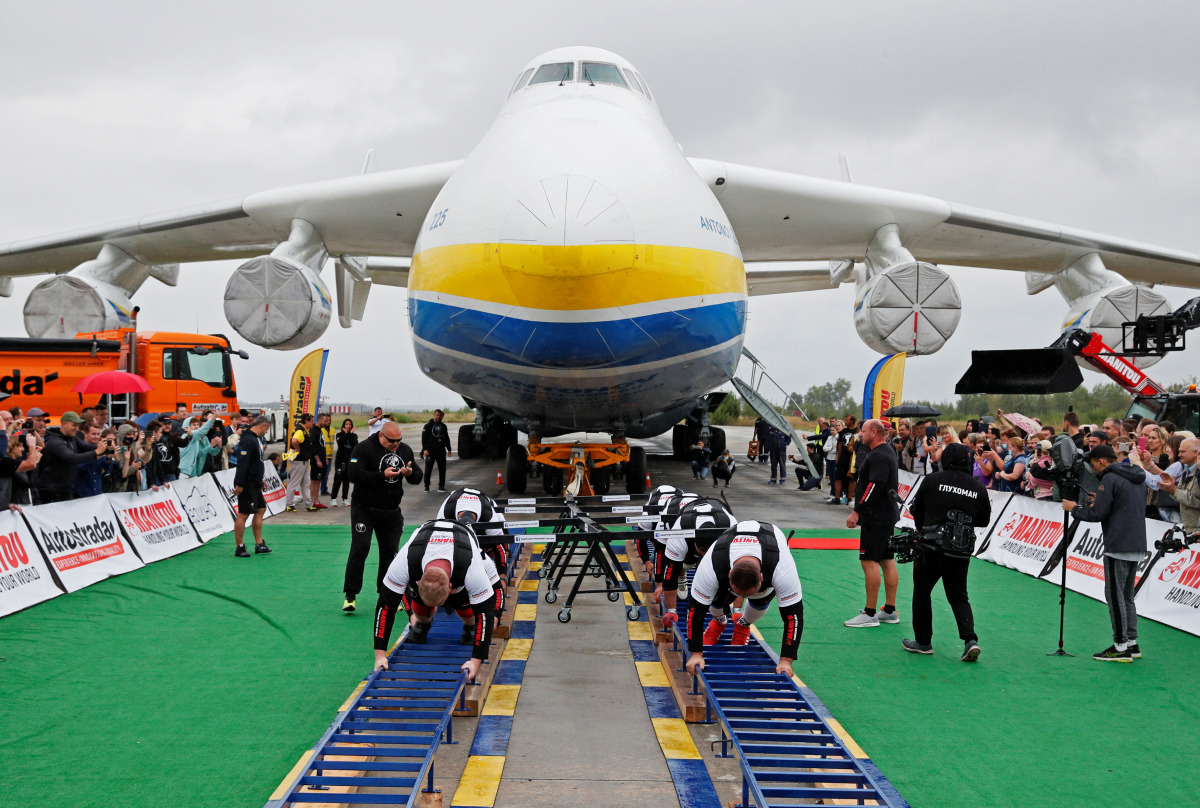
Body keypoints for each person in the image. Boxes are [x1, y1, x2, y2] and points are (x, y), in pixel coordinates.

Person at [373, 519, 498, 680]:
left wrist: (475, 661)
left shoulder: (472, 568)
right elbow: (385, 606)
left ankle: (469, 626)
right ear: (418, 582)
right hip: (426, 536)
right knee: (421, 611)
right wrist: (380, 655)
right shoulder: (405, 561)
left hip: (462, 540)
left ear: (451, 588)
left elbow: (485, 614)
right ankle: (424, 621)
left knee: (469, 613)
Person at [903, 443, 992, 660]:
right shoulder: (978, 487)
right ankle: (970, 640)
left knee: (922, 592)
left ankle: (923, 642)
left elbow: (917, 509)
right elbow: (984, 520)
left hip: (931, 547)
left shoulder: (933, 480)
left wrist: (923, 527)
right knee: (959, 596)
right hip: (960, 550)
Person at [684, 520, 803, 678]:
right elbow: (694, 611)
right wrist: (696, 654)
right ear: (729, 575)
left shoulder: (782, 569)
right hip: (730, 555)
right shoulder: (711, 565)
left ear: (762, 578)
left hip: (769, 547)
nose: (742, 598)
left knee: (761, 599)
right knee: (716, 600)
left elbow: (793, 617)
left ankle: (744, 624)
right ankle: (719, 621)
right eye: (739, 593)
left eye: (747, 594)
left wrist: (786, 661)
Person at [1061, 444, 1147, 662]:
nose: (1092, 467)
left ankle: (1120, 647)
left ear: (1101, 461)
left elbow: (1097, 514)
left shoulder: (1110, 478)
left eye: (1092, 463)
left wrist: (1075, 509)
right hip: (1136, 542)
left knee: (1115, 596)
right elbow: (1117, 506)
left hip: (1118, 544)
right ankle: (1131, 643)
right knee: (1126, 596)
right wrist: (1098, 500)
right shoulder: (1136, 476)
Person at [343, 421, 422, 613]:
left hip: (391, 511)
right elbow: (353, 474)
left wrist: (410, 474)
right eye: (391, 441)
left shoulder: (403, 450)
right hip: (365, 509)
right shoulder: (363, 448)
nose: (395, 445)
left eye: (398, 441)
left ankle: (386, 593)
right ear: (381, 435)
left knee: (390, 553)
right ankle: (350, 595)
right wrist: (381, 475)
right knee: (360, 549)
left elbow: (418, 476)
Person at [844, 419, 901, 628]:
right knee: (886, 559)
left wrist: (857, 511)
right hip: (885, 515)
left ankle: (869, 613)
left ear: (875, 432)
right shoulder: (887, 452)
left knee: (869, 561)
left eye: (864, 431)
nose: (860, 434)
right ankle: (889, 610)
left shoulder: (878, 455)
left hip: (876, 517)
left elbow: (874, 485)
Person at [653, 498, 736, 628]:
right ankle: (683, 575)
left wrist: (735, 610)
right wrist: (671, 611)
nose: (703, 555)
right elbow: (669, 576)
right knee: (680, 564)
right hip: (687, 521)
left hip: (718, 515)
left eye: (706, 553)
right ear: (695, 544)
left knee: (725, 569)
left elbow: (738, 572)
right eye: (701, 552)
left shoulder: (731, 530)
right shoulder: (679, 534)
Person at [36, 412, 110, 503]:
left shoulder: (72, 438)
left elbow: (88, 447)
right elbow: (72, 458)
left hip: (66, 489)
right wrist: (97, 452)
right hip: (51, 490)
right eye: (74, 425)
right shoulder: (54, 441)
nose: (76, 428)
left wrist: (108, 448)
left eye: (77, 425)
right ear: (63, 424)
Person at [231, 416, 273, 557]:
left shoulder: (254, 438)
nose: (266, 432)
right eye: (267, 428)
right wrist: (240, 484)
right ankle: (239, 547)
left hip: (255, 481)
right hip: (247, 482)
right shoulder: (249, 440)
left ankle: (259, 543)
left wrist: (260, 480)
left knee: (260, 508)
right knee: (243, 513)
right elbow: (242, 464)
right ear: (262, 425)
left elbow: (256, 463)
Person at [1158, 438, 1199, 533]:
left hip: (1196, 529)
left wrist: (1174, 490)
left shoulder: (1197, 472)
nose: (1179, 455)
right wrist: (1170, 488)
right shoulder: (1187, 469)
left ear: (1195, 453)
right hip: (1190, 528)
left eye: (1182, 452)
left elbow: (1196, 501)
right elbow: (1180, 496)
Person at [285, 413, 316, 512]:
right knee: (294, 482)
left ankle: (308, 504)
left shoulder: (305, 430)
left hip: (304, 460)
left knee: (306, 483)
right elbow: (294, 440)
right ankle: (289, 504)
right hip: (298, 461)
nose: (313, 423)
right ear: (306, 421)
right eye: (311, 421)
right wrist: (297, 449)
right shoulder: (300, 431)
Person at [178, 414, 222, 478]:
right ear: (187, 427)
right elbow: (199, 454)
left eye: (197, 425)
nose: (196, 427)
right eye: (193, 425)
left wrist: (219, 446)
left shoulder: (204, 438)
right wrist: (212, 418)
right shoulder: (188, 436)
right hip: (184, 471)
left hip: (192, 472)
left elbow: (212, 452)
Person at [421, 408, 452, 493]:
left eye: (440, 415)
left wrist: (449, 449)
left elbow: (446, 438)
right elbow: (424, 439)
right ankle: (426, 486)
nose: (438, 417)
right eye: (437, 415)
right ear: (434, 415)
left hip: (441, 451)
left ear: (442, 416)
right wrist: (425, 449)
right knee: (428, 469)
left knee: (442, 469)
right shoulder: (427, 426)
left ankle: (441, 486)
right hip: (430, 451)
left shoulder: (443, 426)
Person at [331, 418, 358, 506]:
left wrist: (350, 434)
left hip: (349, 461)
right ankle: (333, 499)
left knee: (346, 480)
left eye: (350, 424)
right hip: (340, 461)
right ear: (343, 425)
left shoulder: (354, 436)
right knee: (337, 480)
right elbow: (340, 442)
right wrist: (347, 434)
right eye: (346, 424)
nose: (348, 426)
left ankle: (345, 498)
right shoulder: (339, 434)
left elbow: (355, 445)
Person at [307, 413, 330, 509]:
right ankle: (312, 501)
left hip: (322, 459)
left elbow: (321, 446)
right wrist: (317, 459)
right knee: (314, 481)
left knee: (318, 480)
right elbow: (312, 447)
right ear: (319, 420)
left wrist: (324, 458)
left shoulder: (320, 431)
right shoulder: (313, 431)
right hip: (316, 460)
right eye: (325, 421)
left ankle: (316, 500)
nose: (326, 423)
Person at [320, 412, 336, 496]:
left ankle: (324, 488)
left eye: (329, 420)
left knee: (327, 473)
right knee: (323, 473)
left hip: (330, 455)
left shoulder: (333, 430)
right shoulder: (321, 430)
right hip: (323, 455)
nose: (328, 422)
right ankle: (323, 489)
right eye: (326, 420)